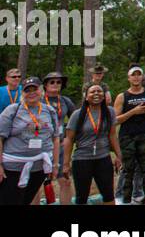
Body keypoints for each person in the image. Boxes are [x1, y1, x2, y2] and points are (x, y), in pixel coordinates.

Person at [0, 76, 61, 205]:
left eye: (35, 89)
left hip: (38, 167)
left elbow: (55, 138)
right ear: (23, 93)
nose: (31, 92)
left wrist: (55, 165)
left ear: (41, 90)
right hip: (13, 168)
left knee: (25, 201)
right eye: (28, 90)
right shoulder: (12, 110)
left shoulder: (49, 111)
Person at [62, 83, 121, 205]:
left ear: (104, 96)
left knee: (108, 194)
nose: (96, 94)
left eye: (99, 91)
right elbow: (69, 139)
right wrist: (66, 164)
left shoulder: (109, 112)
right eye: (92, 92)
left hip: (103, 158)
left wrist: (119, 156)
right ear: (86, 97)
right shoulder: (77, 114)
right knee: (81, 197)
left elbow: (112, 135)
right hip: (82, 159)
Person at [112, 66, 145, 204]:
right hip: (127, 136)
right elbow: (115, 120)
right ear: (129, 78)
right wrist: (134, 111)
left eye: (139, 75)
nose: (136, 77)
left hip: (144, 135)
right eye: (133, 75)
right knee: (127, 169)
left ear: (142, 77)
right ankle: (124, 199)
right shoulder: (122, 96)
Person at [40, 72, 75, 204]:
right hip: (42, 147)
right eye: (52, 82)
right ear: (45, 85)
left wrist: (68, 136)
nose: (55, 84)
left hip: (60, 147)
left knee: (65, 181)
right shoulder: (39, 100)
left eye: (58, 82)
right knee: (37, 184)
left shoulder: (65, 101)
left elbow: (76, 119)